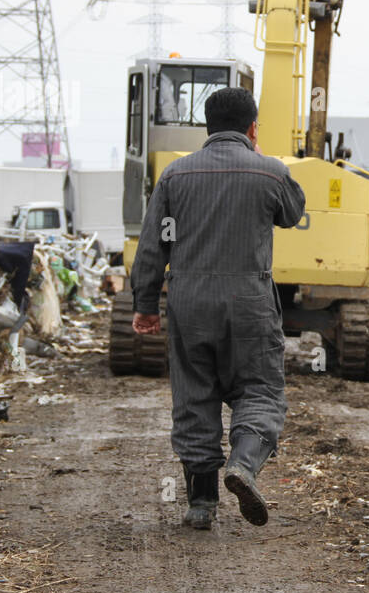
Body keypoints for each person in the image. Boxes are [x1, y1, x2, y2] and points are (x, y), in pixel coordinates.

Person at [131, 87, 306, 530]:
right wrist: (261, 156)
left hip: (189, 302)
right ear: (252, 127)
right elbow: (292, 213)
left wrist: (146, 304)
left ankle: (201, 504)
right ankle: (243, 466)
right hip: (249, 302)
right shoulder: (269, 172)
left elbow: (154, 245)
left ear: (206, 128)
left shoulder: (174, 176)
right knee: (260, 390)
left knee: (194, 395)